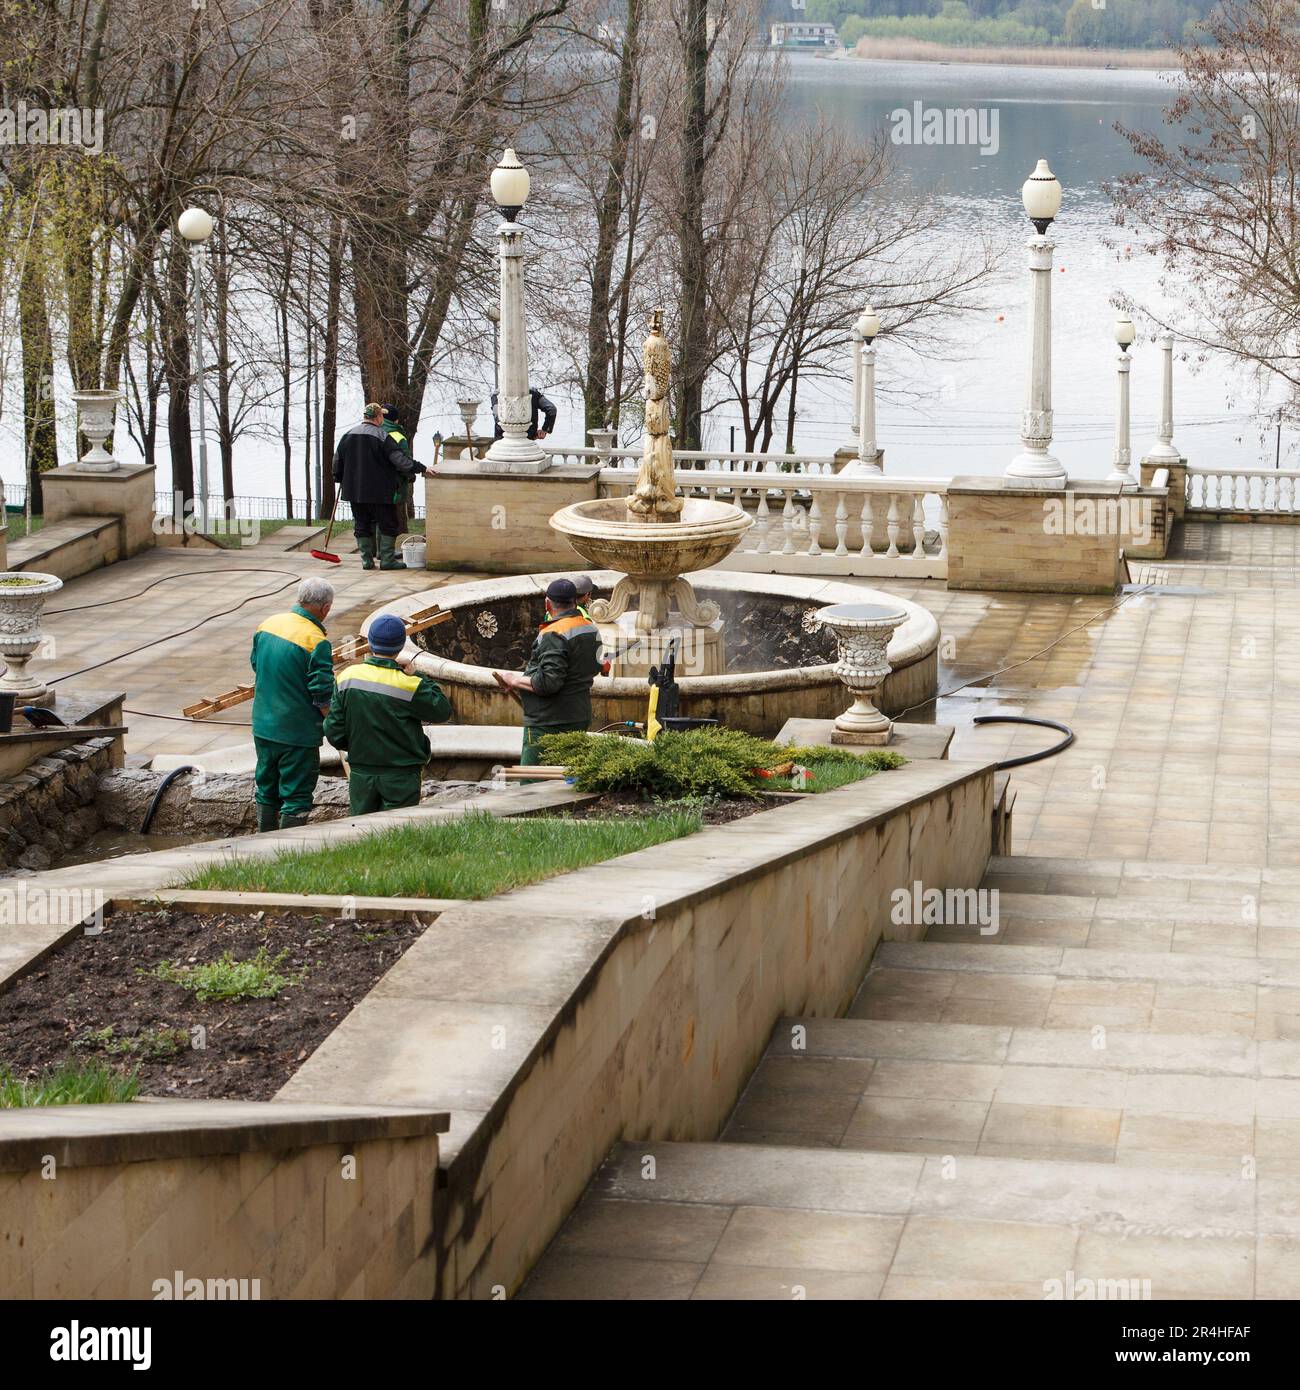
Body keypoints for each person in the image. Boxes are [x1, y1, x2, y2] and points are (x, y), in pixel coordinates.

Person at [324, 613, 454, 814]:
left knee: (357, 829)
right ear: (401, 645)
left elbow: (333, 730)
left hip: (361, 773)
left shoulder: (347, 677)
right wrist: (417, 675)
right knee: (395, 832)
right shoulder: (410, 684)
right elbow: (442, 711)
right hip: (401, 776)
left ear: (371, 644)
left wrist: (357, 748)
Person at [250, 577, 335, 832]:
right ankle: (287, 850)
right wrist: (334, 723)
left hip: (263, 727)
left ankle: (263, 842)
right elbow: (322, 693)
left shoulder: (267, 624)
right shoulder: (316, 640)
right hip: (296, 734)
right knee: (296, 796)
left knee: (266, 789)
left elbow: (256, 664)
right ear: (325, 608)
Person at [496, 578, 603, 766]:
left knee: (532, 787)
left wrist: (512, 680)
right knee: (566, 783)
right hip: (578, 715)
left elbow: (548, 683)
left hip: (549, 722)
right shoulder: (590, 627)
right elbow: (596, 666)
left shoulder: (554, 633)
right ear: (575, 601)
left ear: (547, 603)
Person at [333, 402, 426, 571]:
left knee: (362, 524)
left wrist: (338, 477)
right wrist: (421, 468)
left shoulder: (348, 435)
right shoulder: (382, 436)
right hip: (380, 490)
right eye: (381, 416)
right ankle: (387, 560)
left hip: (354, 490)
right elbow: (400, 461)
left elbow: (337, 460)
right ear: (378, 417)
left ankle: (367, 561)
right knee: (388, 524)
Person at [490, 386, 556, 441]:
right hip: (527, 439)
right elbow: (551, 409)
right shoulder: (533, 393)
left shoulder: (497, 394)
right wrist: (545, 429)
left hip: (503, 441)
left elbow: (497, 416)